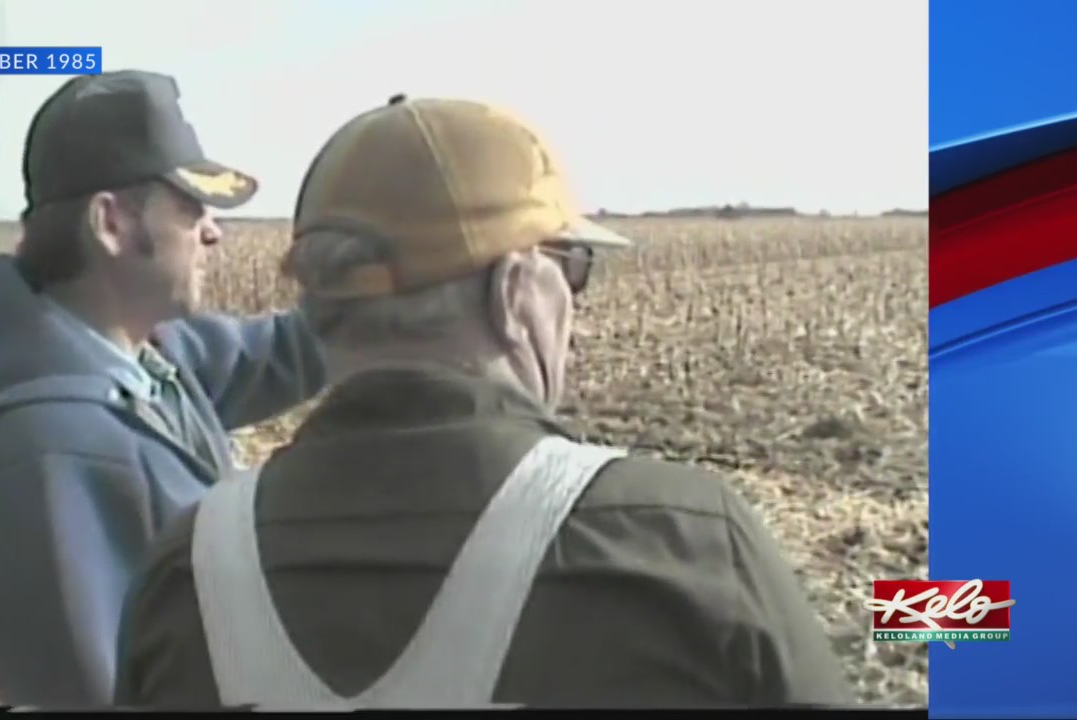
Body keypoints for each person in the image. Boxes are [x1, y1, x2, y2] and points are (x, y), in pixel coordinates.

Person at [113, 94, 852, 709]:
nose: (575, 312)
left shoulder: (186, 572)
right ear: (512, 293)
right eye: (573, 268)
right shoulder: (683, 544)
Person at [0, 70, 327, 708]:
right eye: (190, 207)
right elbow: (88, 691)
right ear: (111, 223)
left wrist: (392, 275)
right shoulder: (54, 447)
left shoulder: (145, 356)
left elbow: (283, 350)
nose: (213, 232)